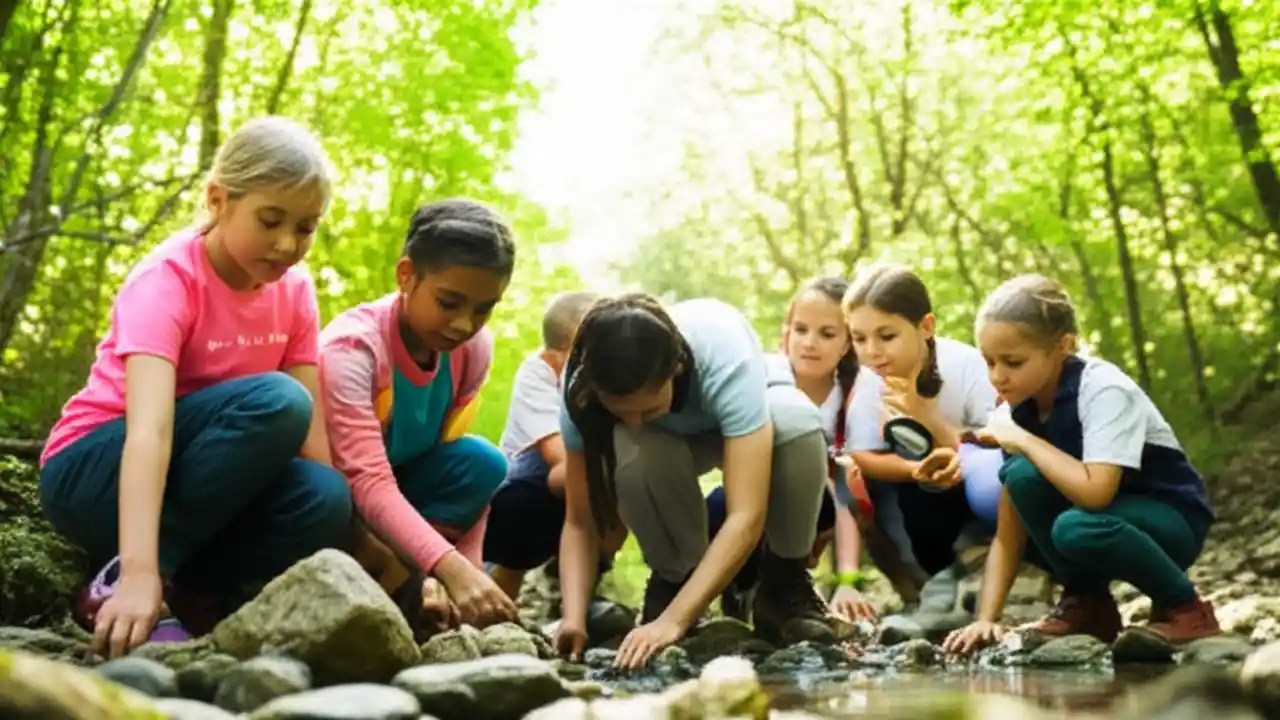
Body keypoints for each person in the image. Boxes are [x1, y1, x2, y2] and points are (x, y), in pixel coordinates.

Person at [39, 116, 354, 659]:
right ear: (218, 199)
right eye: (270, 220)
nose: (287, 244)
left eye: (305, 228)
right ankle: (130, 576)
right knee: (280, 401)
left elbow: (313, 444)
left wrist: (338, 549)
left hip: (198, 488)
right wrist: (143, 568)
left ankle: (193, 588)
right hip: (95, 473)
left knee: (326, 497)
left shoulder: (296, 290)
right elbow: (150, 431)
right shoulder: (167, 280)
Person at [553, 294, 832, 671]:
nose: (635, 420)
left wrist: (673, 623)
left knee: (797, 421)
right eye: (621, 411)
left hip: (757, 419)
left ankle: (784, 581)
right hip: (669, 445)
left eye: (648, 408)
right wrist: (574, 618)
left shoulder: (722, 355)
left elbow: (745, 516)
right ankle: (673, 577)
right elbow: (579, 520)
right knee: (636, 443)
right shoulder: (582, 383)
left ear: (677, 368)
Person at [943, 275, 1220, 655]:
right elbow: (1009, 532)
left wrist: (1021, 439)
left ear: (1064, 346)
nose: (997, 376)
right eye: (988, 362)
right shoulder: (1017, 410)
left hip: (1170, 522)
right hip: (1100, 523)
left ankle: (1187, 609)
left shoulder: (1103, 390)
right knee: (1020, 476)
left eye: (1012, 362)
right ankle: (1089, 605)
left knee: (1074, 526)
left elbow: (1096, 492)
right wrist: (987, 618)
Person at [320, 199, 518, 635]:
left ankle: (423, 585)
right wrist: (445, 569)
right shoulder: (352, 351)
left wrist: (469, 572)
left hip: (405, 503)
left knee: (485, 461)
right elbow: (364, 480)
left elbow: (463, 477)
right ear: (406, 276)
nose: (465, 324)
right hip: (336, 507)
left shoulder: (470, 350)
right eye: (449, 302)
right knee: (327, 494)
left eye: (484, 308)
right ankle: (400, 579)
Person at [706, 277, 883, 623]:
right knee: (714, 507)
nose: (809, 343)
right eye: (800, 330)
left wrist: (847, 580)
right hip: (750, 498)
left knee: (848, 490)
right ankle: (737, 589)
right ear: (786, 333)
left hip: (816, 511)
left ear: (848, 343)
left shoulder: (854, 397)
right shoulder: (761, 377)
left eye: (826, 334)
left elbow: (845, 494)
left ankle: (788, 588)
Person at [842, 263, 1005, 613]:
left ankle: (992, 559)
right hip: (916, 491)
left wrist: (923, 414)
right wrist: (913, 469)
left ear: (925, 327)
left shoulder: (967, 365)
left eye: (887, 336)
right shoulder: (870, 380)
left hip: (973, 475)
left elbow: (994, 444)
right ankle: (932, 580)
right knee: (892, 496)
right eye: (859, 338)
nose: (872, 351)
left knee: (992, 483)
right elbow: (864, 454)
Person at [485, 291, 628, 597]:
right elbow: (561, 462)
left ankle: (585, 584)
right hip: (522, 496)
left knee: (625, 470)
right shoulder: (539, 374)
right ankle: (504, 578)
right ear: (558, 356)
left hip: (583, 489)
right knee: (602, 470)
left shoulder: (614, 383)